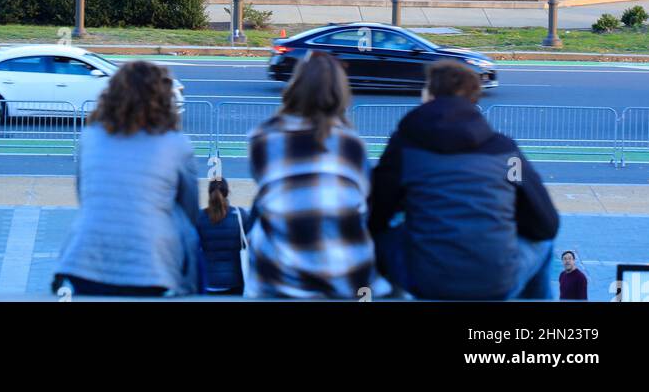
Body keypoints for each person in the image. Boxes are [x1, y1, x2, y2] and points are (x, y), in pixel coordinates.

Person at [369, 60, 559, 302]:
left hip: (429, 281)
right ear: (474, 100)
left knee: (382, 237)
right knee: (543, 245)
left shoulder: (405, 145)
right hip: (496, 282)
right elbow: (546, 223)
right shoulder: (504, 150)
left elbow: (377, 212)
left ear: (429, 95)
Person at [53, 61, 199, 297]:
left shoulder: (90, 137)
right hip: (150, 261)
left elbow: (85, 196)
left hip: (87, 257)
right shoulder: (176, 144)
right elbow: (189, 209)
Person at [246, 52, 376, 301]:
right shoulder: (352, 145)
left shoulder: (262, 139)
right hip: (344, 276)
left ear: (295, 86)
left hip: (277, 278)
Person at [196, 178, 251, 296]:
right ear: (227, 192)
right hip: (235, 281)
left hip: (208, 281)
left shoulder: (199, 217)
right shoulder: (240, 215)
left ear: (209, 193)